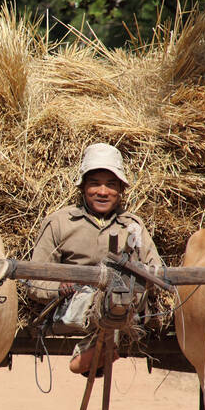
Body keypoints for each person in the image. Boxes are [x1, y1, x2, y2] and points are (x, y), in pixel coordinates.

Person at [26, 143, 161, 374]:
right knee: (92, 300)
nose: (102, 191)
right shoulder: (59, 223)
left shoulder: (133, 226)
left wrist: (136, 281)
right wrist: (58, 288)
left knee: (122, 298)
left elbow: (156, 272)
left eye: (111, 185)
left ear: (121, 190)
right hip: (74, 309)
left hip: (125, 308)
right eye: (94, 183)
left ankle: (94, 352)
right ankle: (99, 350)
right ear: (83, 188)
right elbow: (33, 280)